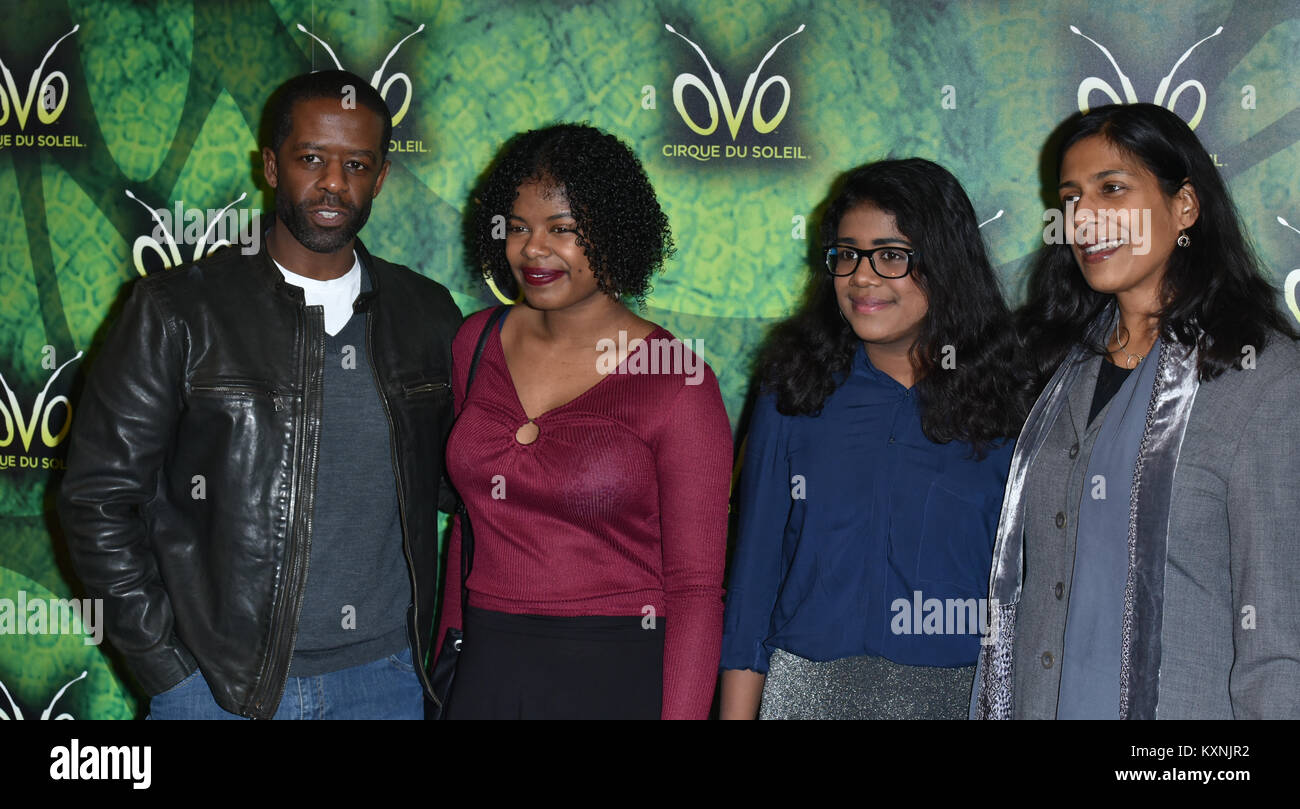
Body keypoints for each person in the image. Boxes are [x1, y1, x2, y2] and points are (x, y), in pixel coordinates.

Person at [58, 70, 462, 719]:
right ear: (272, 166)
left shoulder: (427, 314)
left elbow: (458, 481)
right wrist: (169, 671)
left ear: (381, 177)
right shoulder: (181, 309)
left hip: (383, 682)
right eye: (311, 159)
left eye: (357, 163)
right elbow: (97, 500)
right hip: (219, 690)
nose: (334, 182)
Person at [973, 103, 1300, 719]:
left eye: (1112, 189)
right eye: (1071, 197)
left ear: (1185, 206)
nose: (1085, 218)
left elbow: (1280, 648)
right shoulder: (1054, 368)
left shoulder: (1265, 381)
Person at [434, 123, 732, 720]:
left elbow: (697, 591)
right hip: (486, 667)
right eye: (518, 227)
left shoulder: (678, 381)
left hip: (613, 675)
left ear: (614, 233)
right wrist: (443, 668)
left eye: (563, 229)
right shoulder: (476, 341)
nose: (533, 250)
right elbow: (470, 527)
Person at [719, 159, 1028, 719]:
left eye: (891, 256)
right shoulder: (793, 388)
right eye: (847, 255)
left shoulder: (1012, 400)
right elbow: (752, 584)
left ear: (945, 264)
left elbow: (1030, 592)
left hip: (958, 699)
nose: (862, 277)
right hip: (804, 696)